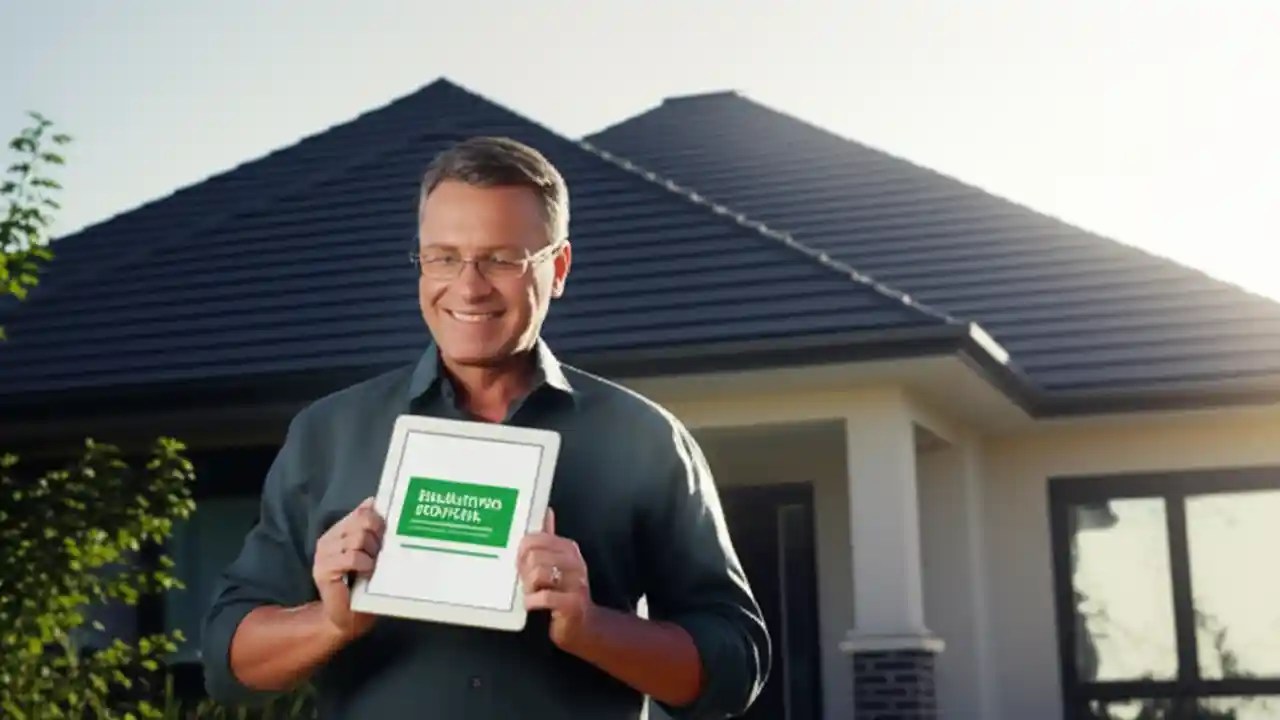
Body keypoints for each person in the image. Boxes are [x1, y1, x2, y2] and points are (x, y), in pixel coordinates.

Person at [199, 136, 771, 719]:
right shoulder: (329, 433)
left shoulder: (645, 439)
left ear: (559, 268)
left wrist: (591, 627)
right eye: (443, 257)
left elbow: (734, 668)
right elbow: (228, 665)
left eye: (502, 258)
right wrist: (332, 621)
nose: (468, 286)